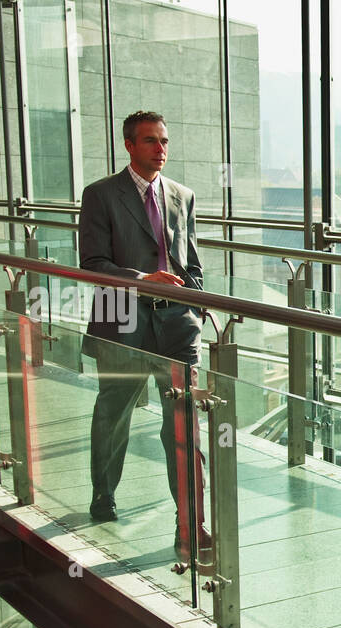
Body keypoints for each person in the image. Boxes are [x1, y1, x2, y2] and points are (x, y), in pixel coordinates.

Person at [79, 110, 211, 570]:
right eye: (151, 141)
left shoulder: (182, 195)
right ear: (129, 145)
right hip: (122, 318)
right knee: (113, 413)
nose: (161, 149)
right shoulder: (99, 196)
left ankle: (190, 518)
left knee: (184, 421)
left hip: (177, 325)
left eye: (165, 141)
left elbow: (191, 262)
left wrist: (194, 302)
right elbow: (92, 262)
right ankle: (103, 494)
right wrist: (142, 280)